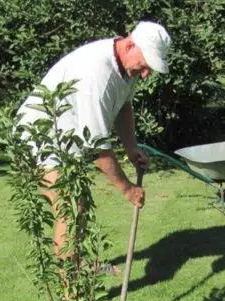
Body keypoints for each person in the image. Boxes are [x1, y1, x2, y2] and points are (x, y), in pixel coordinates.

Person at [16, 21, 172, 267]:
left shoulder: (126, 68)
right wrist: (128, 189)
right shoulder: (98, 73)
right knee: (69, 210)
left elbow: (124, 107)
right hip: (40, 139)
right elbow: (97, 147)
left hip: (67, 139)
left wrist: (131, 148)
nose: (145, 74)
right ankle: (73, 300)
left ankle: (78, 269)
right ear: (130, 44)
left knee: (80, 205)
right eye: (145, 65)